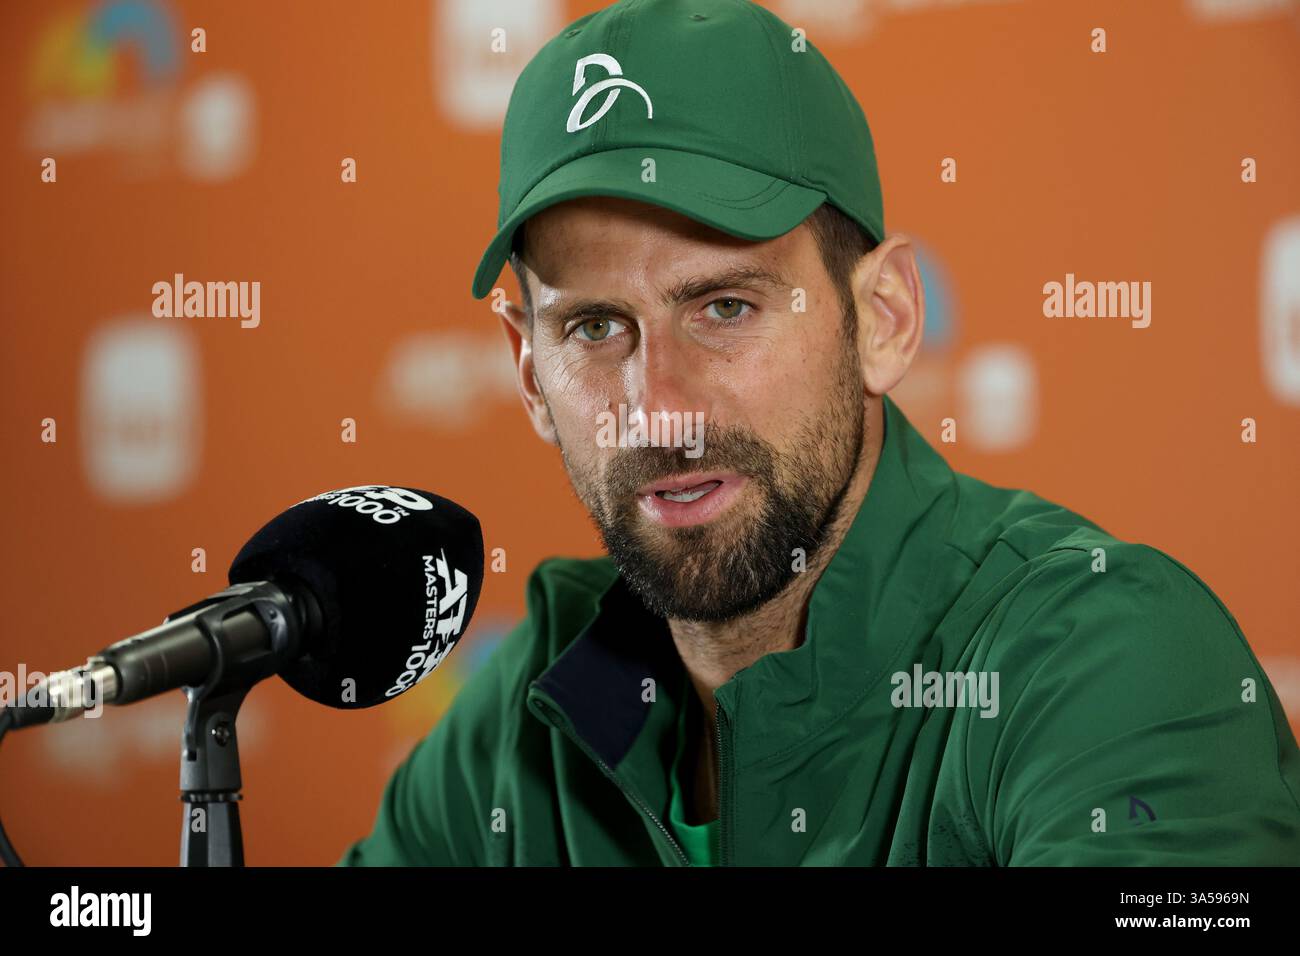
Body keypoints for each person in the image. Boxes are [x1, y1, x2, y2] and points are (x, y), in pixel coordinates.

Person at [339, 0, 1300, 866]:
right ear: (529, 374)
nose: (659, 404)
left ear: (880, 317)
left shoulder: (1103, 658)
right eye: (595, 328)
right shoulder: (525, 719)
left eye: (723, 307)